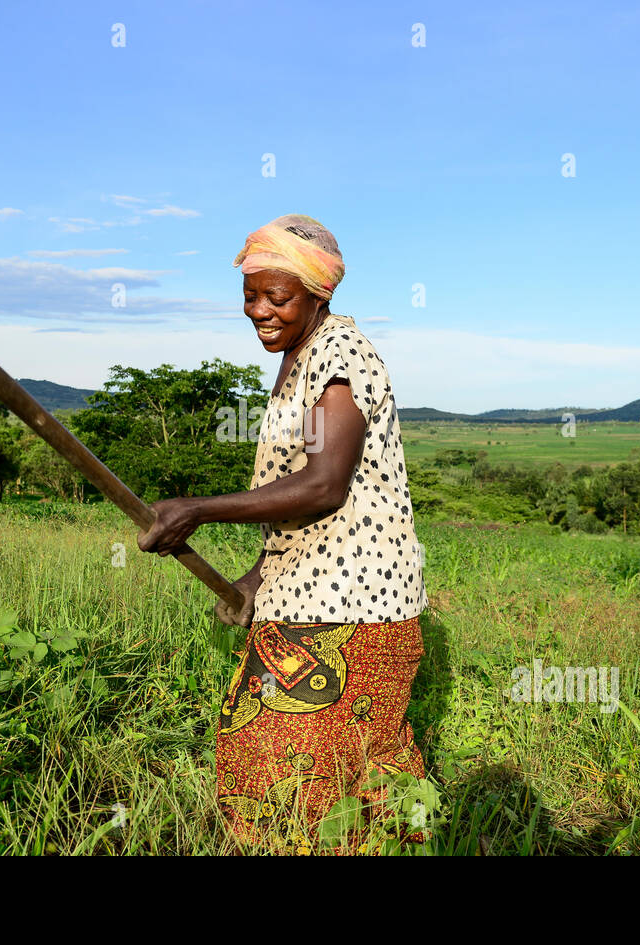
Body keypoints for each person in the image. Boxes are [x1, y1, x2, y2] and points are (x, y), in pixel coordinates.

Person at [136, 214, 427, 854]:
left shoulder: (341, 357)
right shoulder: (300, 358)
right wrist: (257, 578)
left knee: (294, 774)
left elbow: (324, 485)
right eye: (250, 295)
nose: (259, 311)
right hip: (312, 594)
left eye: (278, 297)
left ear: (319, 294)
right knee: (354, 769)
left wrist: (197, 509)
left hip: (348, 605)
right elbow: (301, 508)